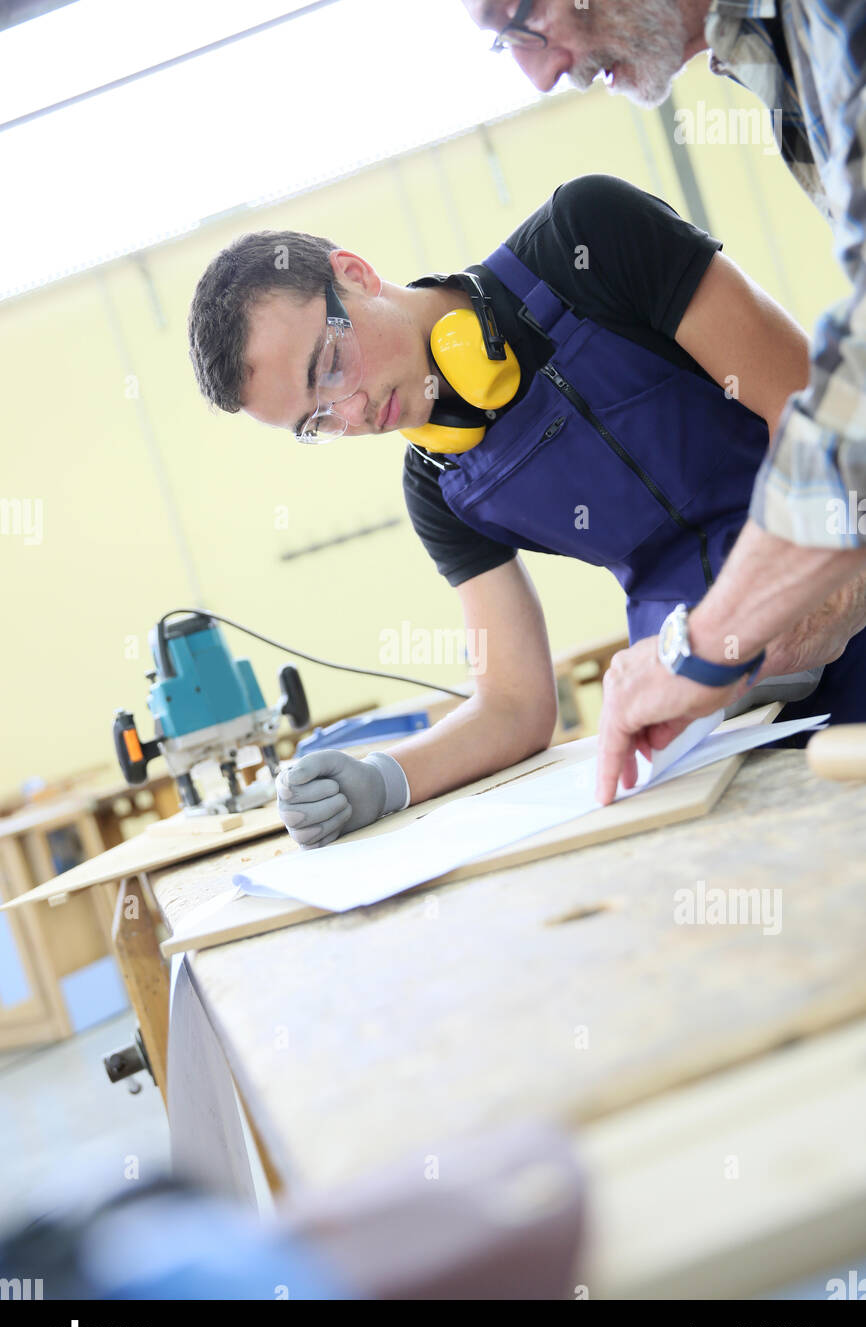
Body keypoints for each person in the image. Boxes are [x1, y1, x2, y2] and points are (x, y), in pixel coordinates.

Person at [187, 175, 861, 848]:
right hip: (713, 723)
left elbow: (824, 427)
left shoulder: (586, 239)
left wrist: (789, 617)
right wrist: (384, 780)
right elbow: (515, 703)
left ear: (356, 275)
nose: (354, 413)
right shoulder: (439, 486)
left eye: (330, 367)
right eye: (318, 422)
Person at [463, 1, 866, 802]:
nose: (542, 73)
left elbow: (845, 396)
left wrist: (710, 642)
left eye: (522, 19)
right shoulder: (773, 51)